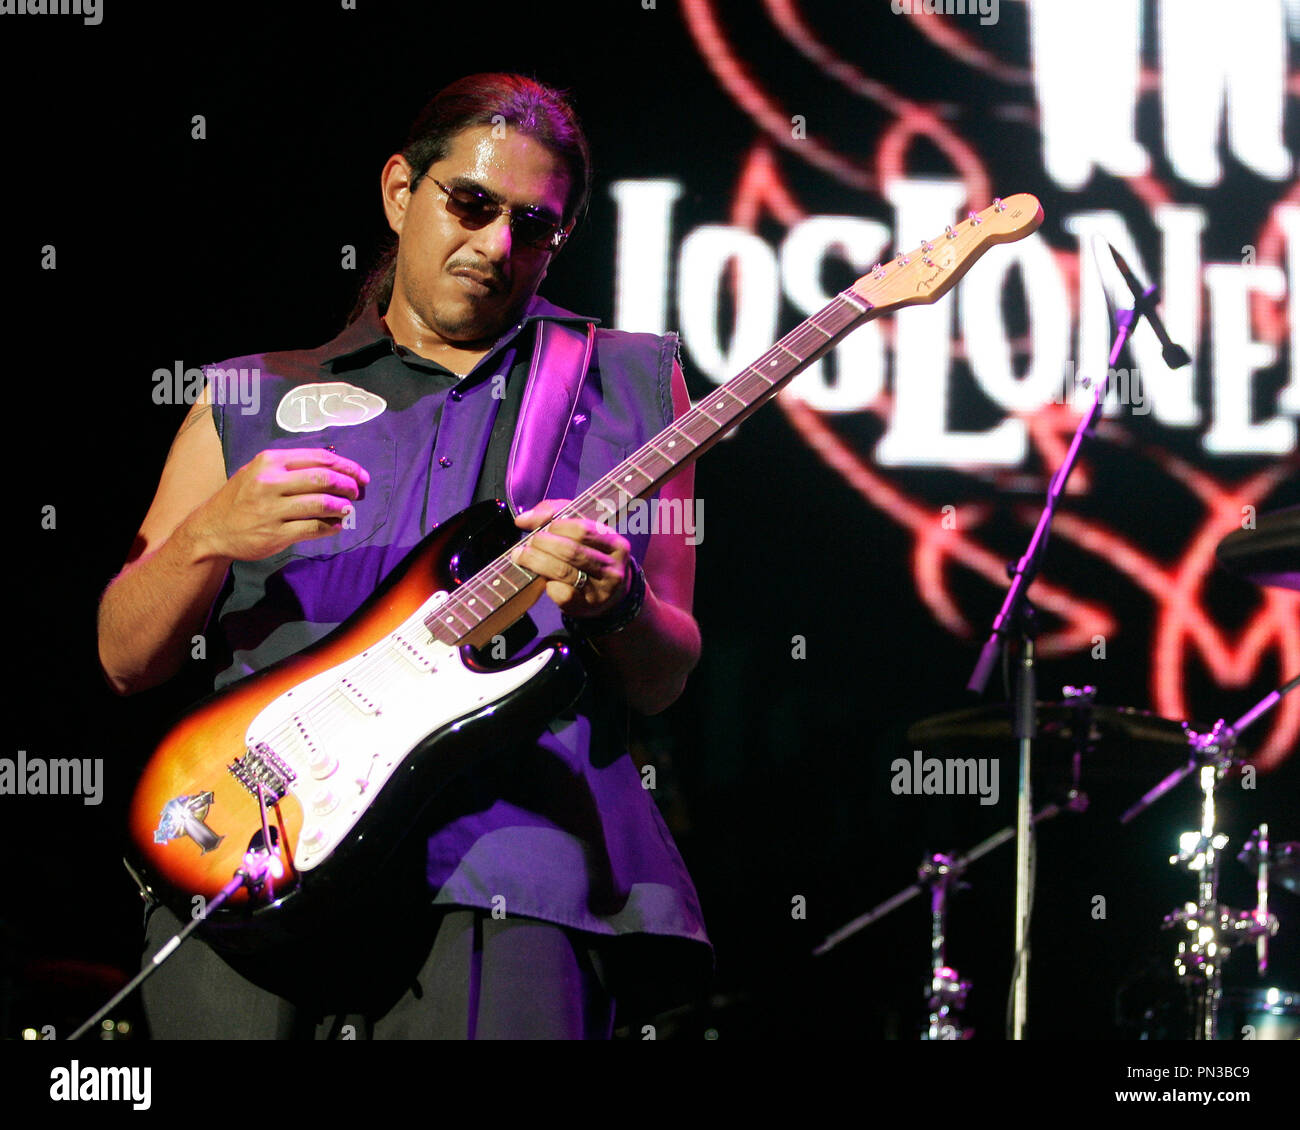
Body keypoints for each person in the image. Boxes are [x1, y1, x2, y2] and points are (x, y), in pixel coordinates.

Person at [97, 73, 711, 1039]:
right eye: (470, 203)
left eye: (534, 225)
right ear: (398, 193)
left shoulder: (627, 380)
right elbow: (126, 657)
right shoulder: (251, 395)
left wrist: (616, 594)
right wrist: (209, 535)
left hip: (501, 869)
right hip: (256, 851)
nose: (497, 245)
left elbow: (666, 672)